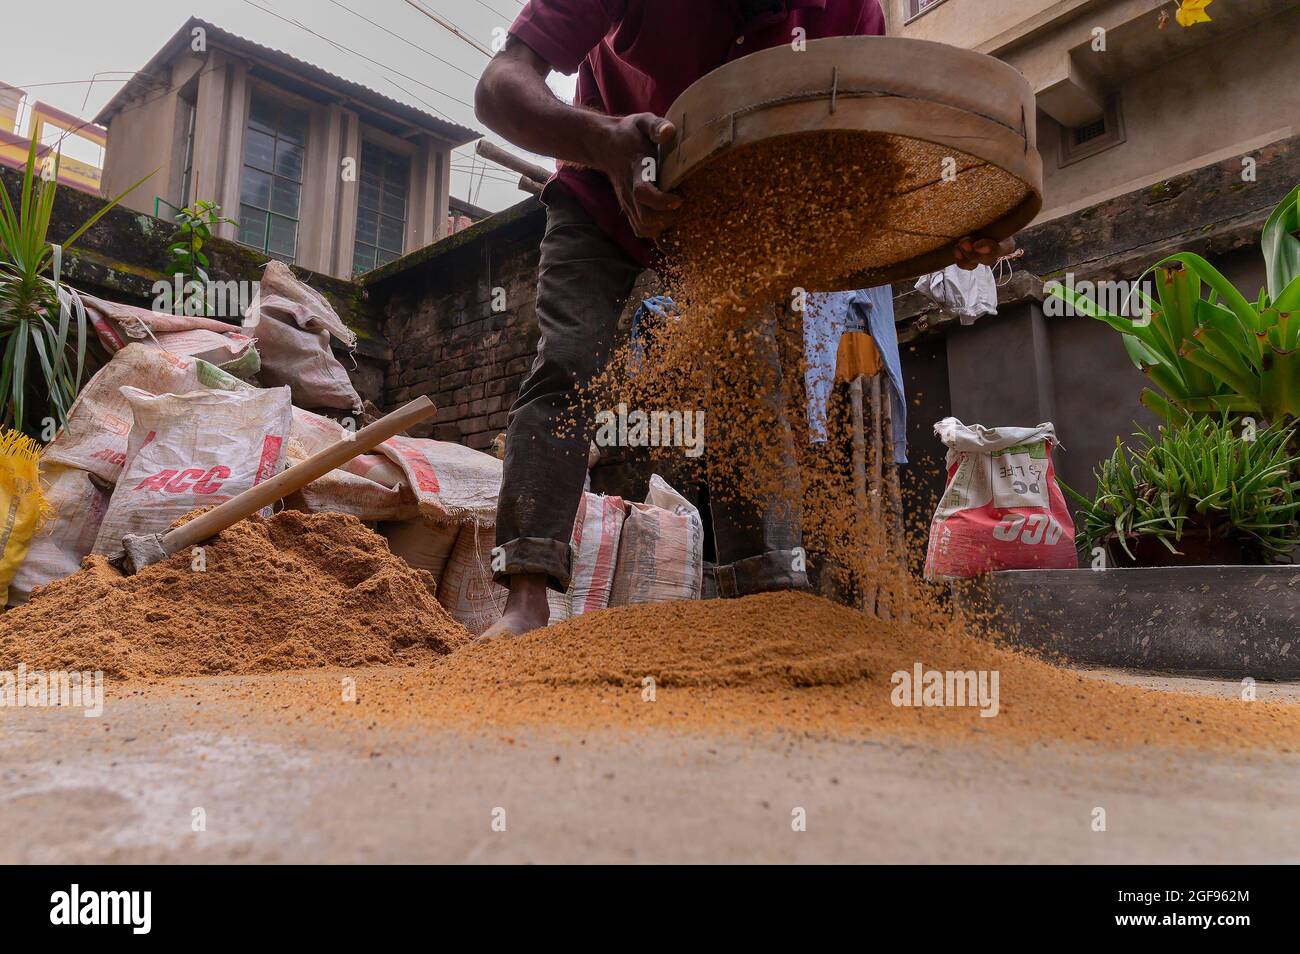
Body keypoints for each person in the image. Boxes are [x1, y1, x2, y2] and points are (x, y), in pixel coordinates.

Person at [473, 0, 1013, 638]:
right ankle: (525, 599)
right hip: (602, 186)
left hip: (733, 213)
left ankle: (767, 598)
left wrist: (945, 222)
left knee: (751, 388)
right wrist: (603, 142)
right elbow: (499, 86)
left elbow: (862, 152)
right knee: (570, 360)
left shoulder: (852, 10)